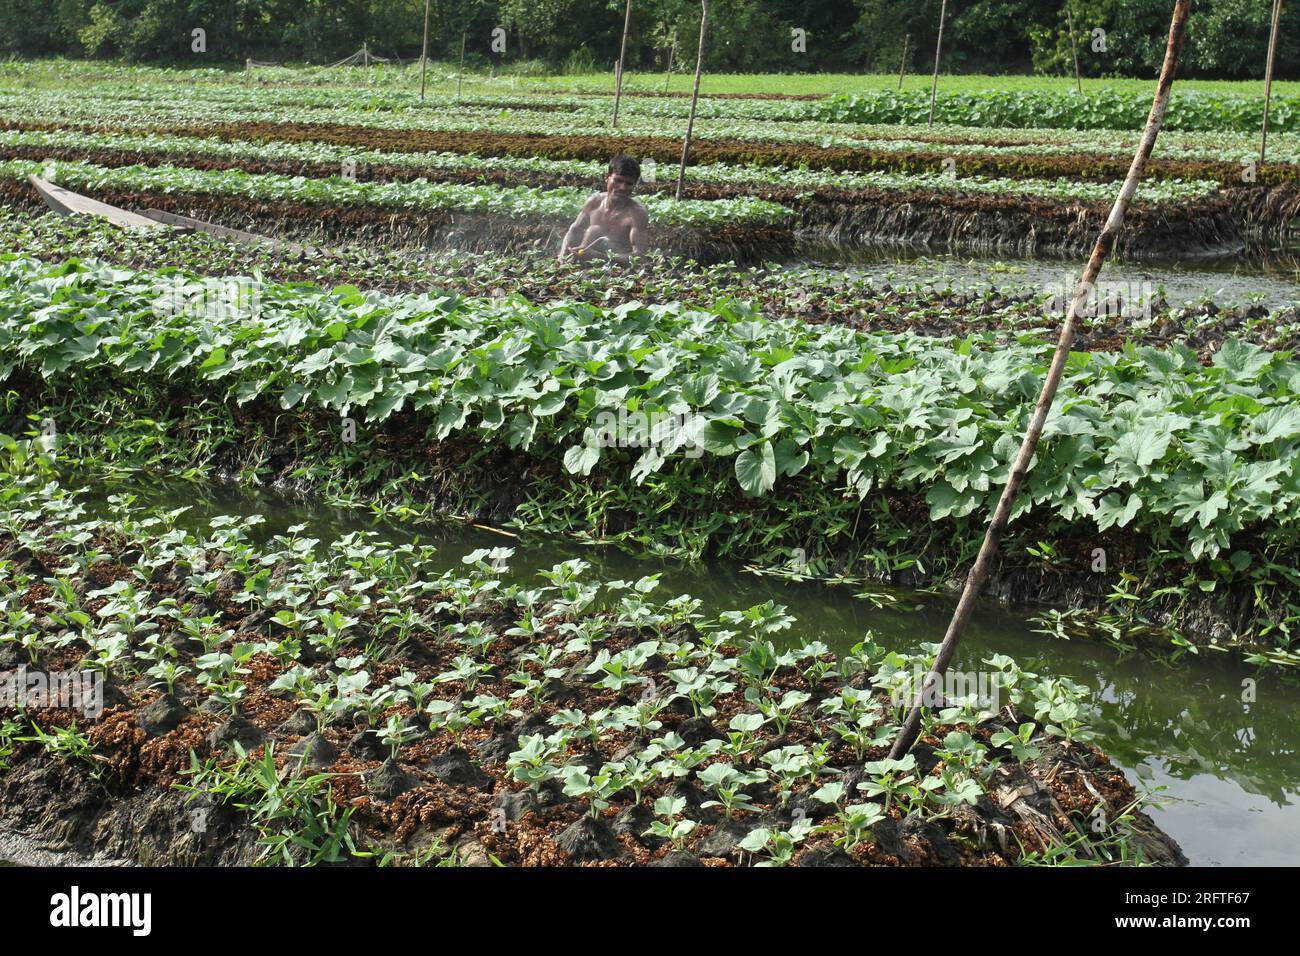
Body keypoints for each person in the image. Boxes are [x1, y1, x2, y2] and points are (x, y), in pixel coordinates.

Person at [558, 155, 649, 263]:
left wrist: (599, 257)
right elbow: (574, 230)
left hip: (617, 270)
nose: (622, 188)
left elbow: (639, 256)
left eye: (628, 184)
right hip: (583, 264)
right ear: (607, 177)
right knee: (594, 230)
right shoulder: (594, 203)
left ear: (634, 185)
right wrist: (562, 257)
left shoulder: (636, 214)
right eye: (618, 181)